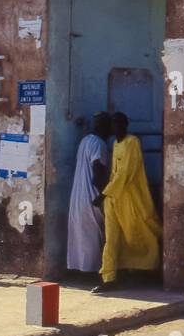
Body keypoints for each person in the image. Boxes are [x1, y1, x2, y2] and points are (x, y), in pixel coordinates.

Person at [94, 112, 162, 290]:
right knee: (111, 238)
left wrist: (103, 194)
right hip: (113, 198)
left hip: (131, 198)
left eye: (117, 124)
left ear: (124, 125)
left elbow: (125, 173)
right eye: (113, 124)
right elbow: (115, 173)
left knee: (139, 233)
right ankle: (108, 277)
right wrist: (107, 195)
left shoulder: (132, 142)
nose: (115, 128)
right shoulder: (115, 144)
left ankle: (149, 269)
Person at [66, 112, 112, 276]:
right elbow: (98, 172)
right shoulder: (99, 144)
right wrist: (104, 194)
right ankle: (94, 273)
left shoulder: (85, 140)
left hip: (79, 195)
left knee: (83, 237)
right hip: (92, 195)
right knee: (94, 237)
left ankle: (83, 272)